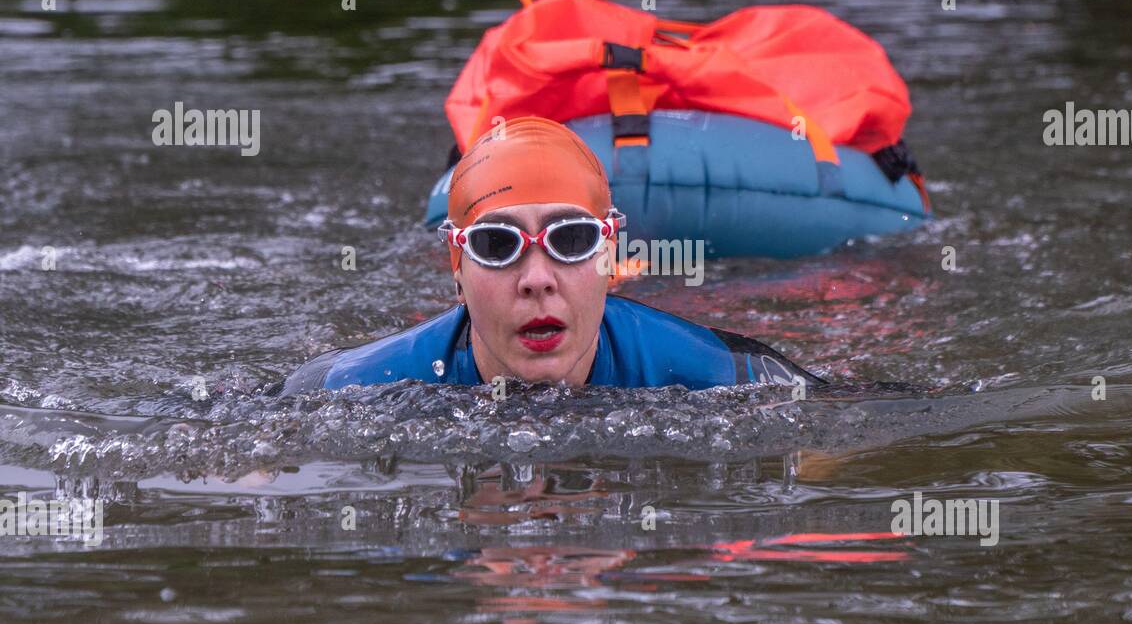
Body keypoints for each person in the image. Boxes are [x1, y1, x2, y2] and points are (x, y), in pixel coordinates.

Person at [280, 117, 820, 394]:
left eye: (571, 240)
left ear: (609, 256)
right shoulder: (361, 385)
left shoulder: (721, 373)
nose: (537, 279)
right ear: (457, 268)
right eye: (497, 245)